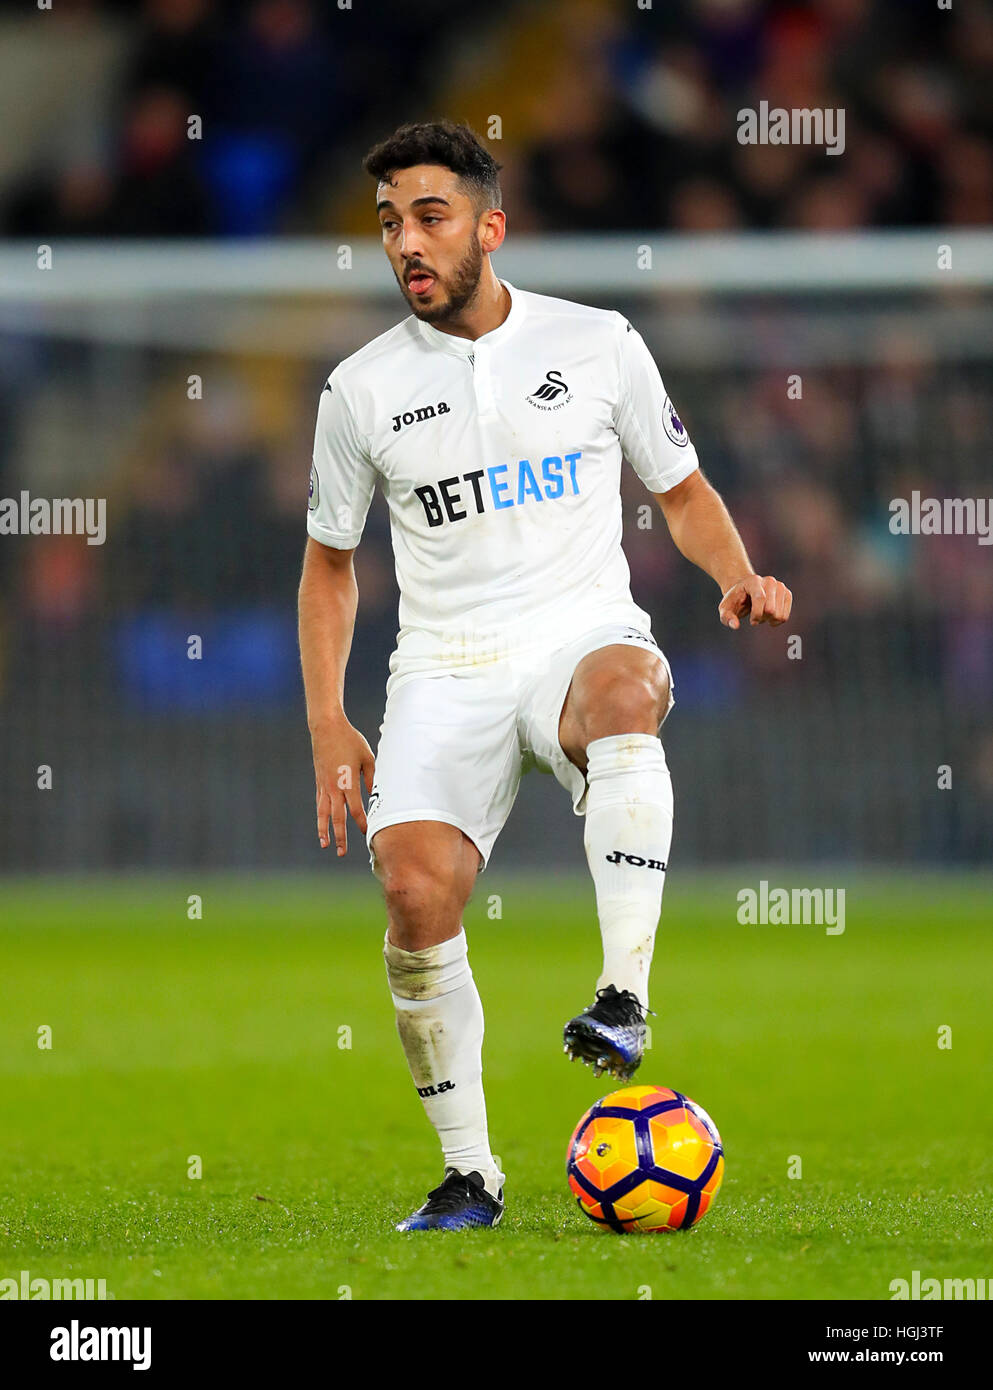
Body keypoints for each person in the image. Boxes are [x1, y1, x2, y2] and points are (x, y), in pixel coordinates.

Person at [297, 120, 792, 1231]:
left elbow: (682, 489)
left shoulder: (599, 342)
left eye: (429, 218)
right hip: (442, 665)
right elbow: (329, 568)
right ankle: (470, 1175)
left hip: (580, 629)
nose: (406, 245)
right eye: (388, 225)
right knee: (414, 897)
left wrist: (738, 573)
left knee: (625, 692)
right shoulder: (359, 391)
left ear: (491, 227)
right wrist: (330, 719)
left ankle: (624, 996)